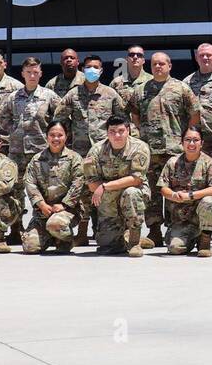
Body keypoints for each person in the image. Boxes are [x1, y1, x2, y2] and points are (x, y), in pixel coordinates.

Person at [130, 51, 200, 248]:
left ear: (170, 66)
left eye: (162, 63)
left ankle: (175, 229)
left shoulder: (182, 88)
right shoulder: (141, 90)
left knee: (175, 191)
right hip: (150, 151)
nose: (158, 67)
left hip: (174, 151)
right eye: (154, 64)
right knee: (151, 193)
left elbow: (194, 116)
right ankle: (154, 231)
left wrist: (186, 140)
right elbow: (134, 114)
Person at [55, 55, 127, 245]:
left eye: (96, 67)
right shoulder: (73, 94)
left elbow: (122, 120)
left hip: (106, 152)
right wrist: (66, 138)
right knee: (83, 191)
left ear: (101, 71)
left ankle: (108, 228)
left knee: (106, 188)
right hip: (80, 151)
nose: (92, 70)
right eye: (88, 67)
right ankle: (83, 230)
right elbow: (59, 119)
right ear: (83, 69)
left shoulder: (110, 94)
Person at [0, 56, 61, 243]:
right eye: (28, 72)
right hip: (17, 152)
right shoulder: (13, 96)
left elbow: (60, 120)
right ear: (23, 74)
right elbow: (3, 118)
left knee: (44, 191)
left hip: (41, 152)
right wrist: (15, 131)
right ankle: (16, 230)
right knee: (15, 191)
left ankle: (46, 230)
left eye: (35, 72)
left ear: (40, 73)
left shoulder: (49, 96)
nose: (32, 75)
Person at [83, 115, 151, 257]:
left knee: (130, 192)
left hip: (135, 193)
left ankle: (134, 241)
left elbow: (136, 179)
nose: (117, 135)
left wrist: (105, 186)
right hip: (109, 199)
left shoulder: (140, 148)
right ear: (107, 133)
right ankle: (123, 237)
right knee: (107, 246)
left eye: (121, 130)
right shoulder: (96, 151)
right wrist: (104, 188)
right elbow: (92, 185)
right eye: (112, 131)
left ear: (128, 130)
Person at [157, 126, 212, 257]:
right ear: (182, 142)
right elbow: (163, 188)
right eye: (188, 140)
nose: (192, 144)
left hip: (202, 215)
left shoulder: (210, 163)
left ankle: (205, 239)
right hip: (181, 218)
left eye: (196, 140)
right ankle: (193, 237)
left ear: (202, 143)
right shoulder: (173, 162)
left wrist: (191, 195)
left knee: (208, 201)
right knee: (175, 249)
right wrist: (173, 195)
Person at [22, 121, 85, 254]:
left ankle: (66, 240)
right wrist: (41, 204)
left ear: (66, 136)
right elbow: (30, 183)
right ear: (46, 136)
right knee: (30, 246)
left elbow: (78, 182)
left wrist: (64, 205)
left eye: (60, 135)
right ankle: (51, 237)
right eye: (52, 135)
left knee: (55, 224)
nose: (56, 139)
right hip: (43, 211)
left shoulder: (74, 158)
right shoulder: (37, 159)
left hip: (67, 210)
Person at [111, 45, 152, 114]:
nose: (135, 57)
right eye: (132, 55)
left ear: (143, 60)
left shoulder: (152, 81)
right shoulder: (116, 82)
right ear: (127, 59)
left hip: (144, 124)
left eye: (139, 55)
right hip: (123, 123)